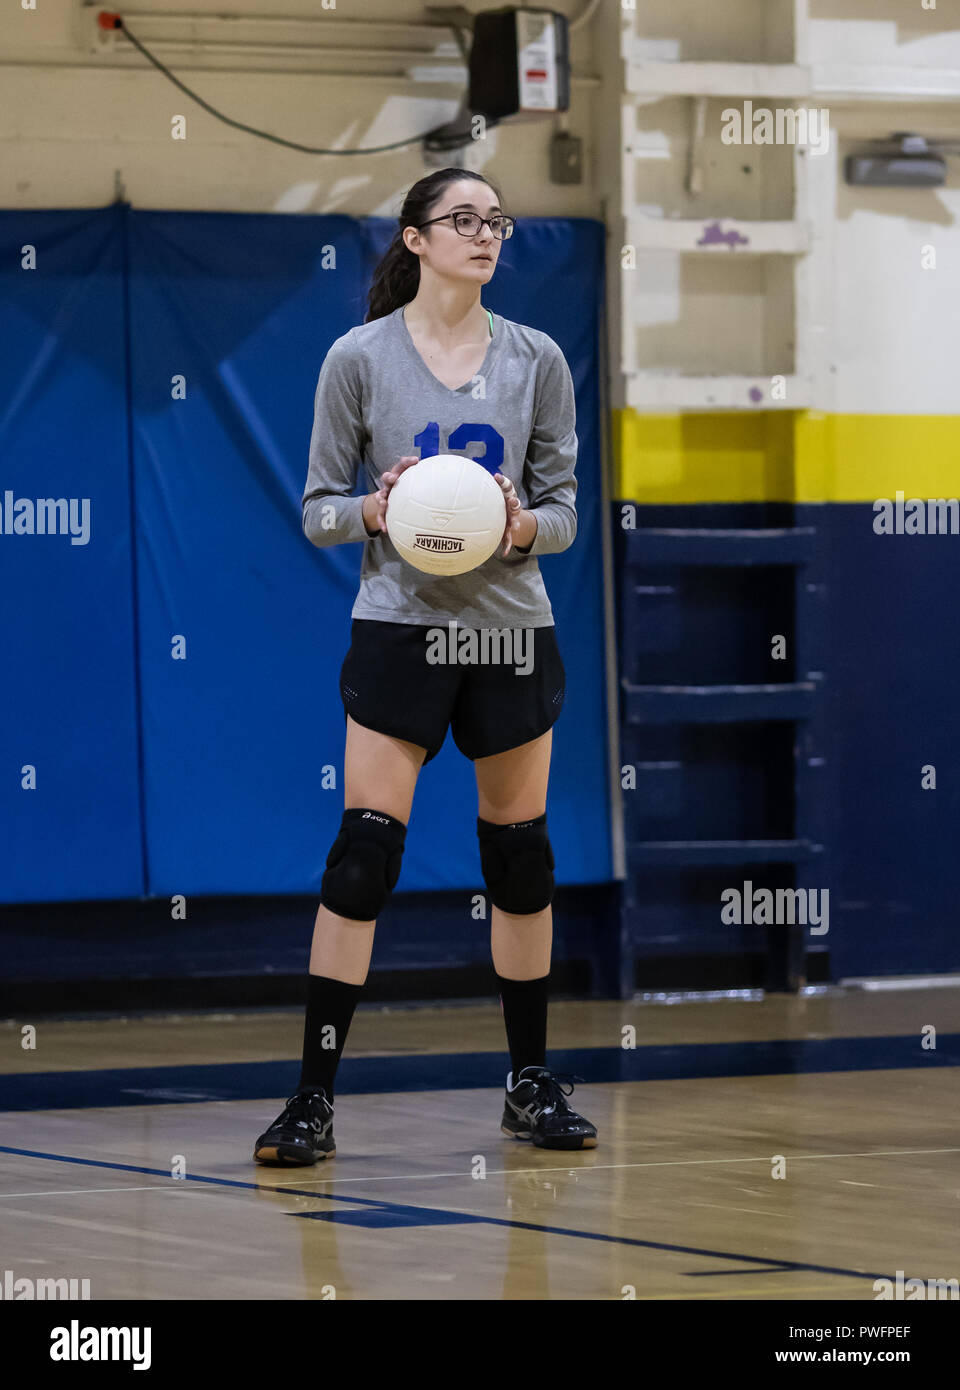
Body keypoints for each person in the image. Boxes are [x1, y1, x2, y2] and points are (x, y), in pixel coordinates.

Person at [253, 166, 596, 1165]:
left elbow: (567, 511)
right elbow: (319, 507)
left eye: (497, 221)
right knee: (364, 857)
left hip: (508, 631)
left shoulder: (537, 360)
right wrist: (378, 505)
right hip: (401, 628)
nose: (484, 234)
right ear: (415, 238)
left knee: (519, 859)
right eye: (463, 219)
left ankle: (530, 1081)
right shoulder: (359, 359)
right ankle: (311, 1098)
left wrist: (520, 522)